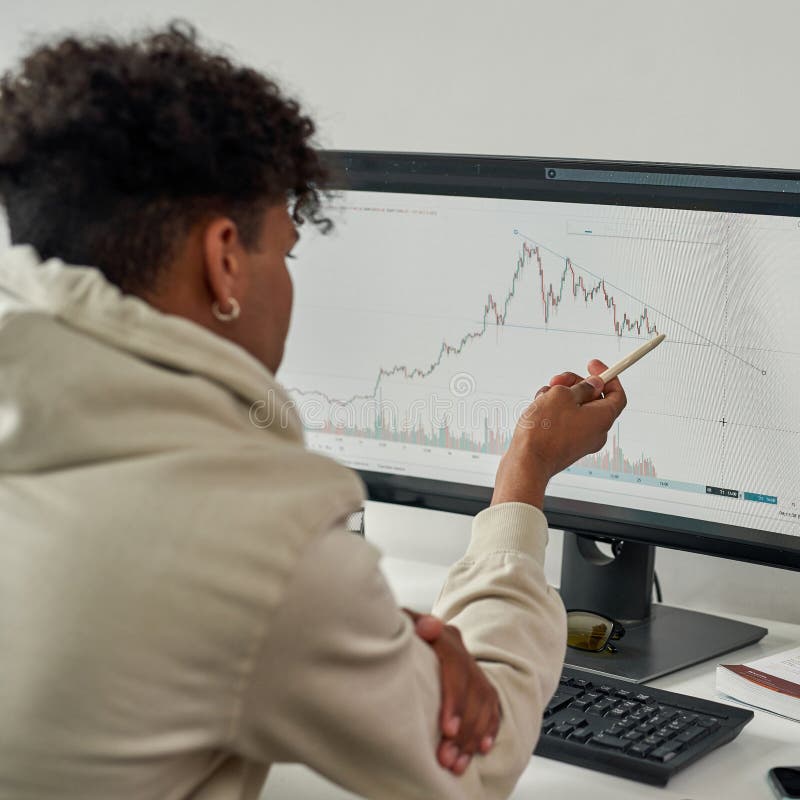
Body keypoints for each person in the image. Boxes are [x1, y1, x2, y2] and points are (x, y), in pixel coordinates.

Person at [0, 23, 626, 800]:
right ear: (224, 260)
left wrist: (352, 634)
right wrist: (524, 475)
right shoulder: (249, 539)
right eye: (287, 250)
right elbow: (475, 763)